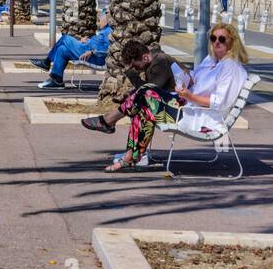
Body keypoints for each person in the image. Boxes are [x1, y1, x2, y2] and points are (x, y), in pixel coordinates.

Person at [85, 28, 250, 171]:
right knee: (144, 105)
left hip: (197, 116)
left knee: (146, 92)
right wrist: (188, 78)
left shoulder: (231, 67)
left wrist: (189, 96)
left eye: (222, 39)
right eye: (213, 38)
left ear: (232, 42)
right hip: (184, 106)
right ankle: (131, 156)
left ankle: (109, 122)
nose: (216, 42)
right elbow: (195, 80)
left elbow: (219, 102)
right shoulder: (211, 61)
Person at [31, 13, 111, 90]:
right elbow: (98, 44)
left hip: (92, 56)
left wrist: (92, 52)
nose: (98, 23)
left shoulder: (108, 32)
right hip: (87, 50)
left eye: (99, 20)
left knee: (65, 38)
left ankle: (46, 62)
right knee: (62, 49)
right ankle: (56, 80)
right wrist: (87, 41)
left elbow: (106, 49)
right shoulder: (105, 31)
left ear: (106, 21)